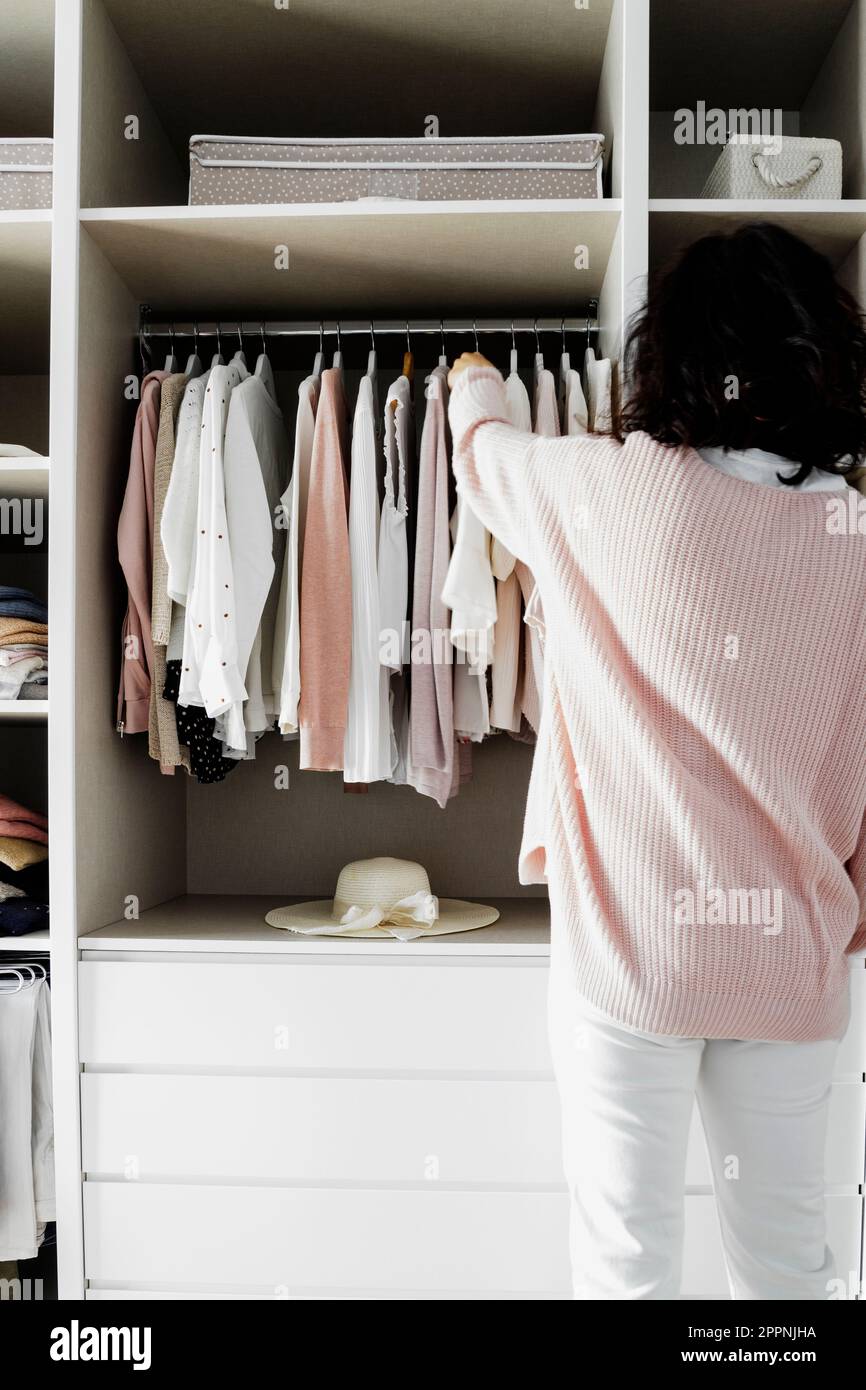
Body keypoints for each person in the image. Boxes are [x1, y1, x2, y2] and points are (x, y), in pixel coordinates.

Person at [447, 223, 866, 1301]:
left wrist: (473, 380)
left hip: (631, 958)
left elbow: (480, 456)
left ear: (668, 355)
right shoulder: (853, 537)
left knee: (624, 1266)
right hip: (791, 957)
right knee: (788, 1270)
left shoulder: (598, 490)